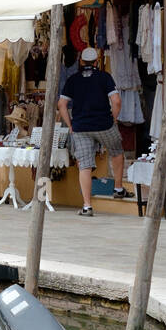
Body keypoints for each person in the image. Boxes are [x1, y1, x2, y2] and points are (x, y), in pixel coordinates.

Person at [57, 47, 130, 216]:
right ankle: (118, 188)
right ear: (97, 61)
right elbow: (116, 101)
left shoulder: (73, 80)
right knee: (117, 151)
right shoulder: (104, 77)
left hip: (81, 128)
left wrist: (70, 125)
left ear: (81, 62)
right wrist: (113, 118)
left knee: (85, 164)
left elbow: (61, 104)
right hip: (104, 124)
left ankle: (87, 205)